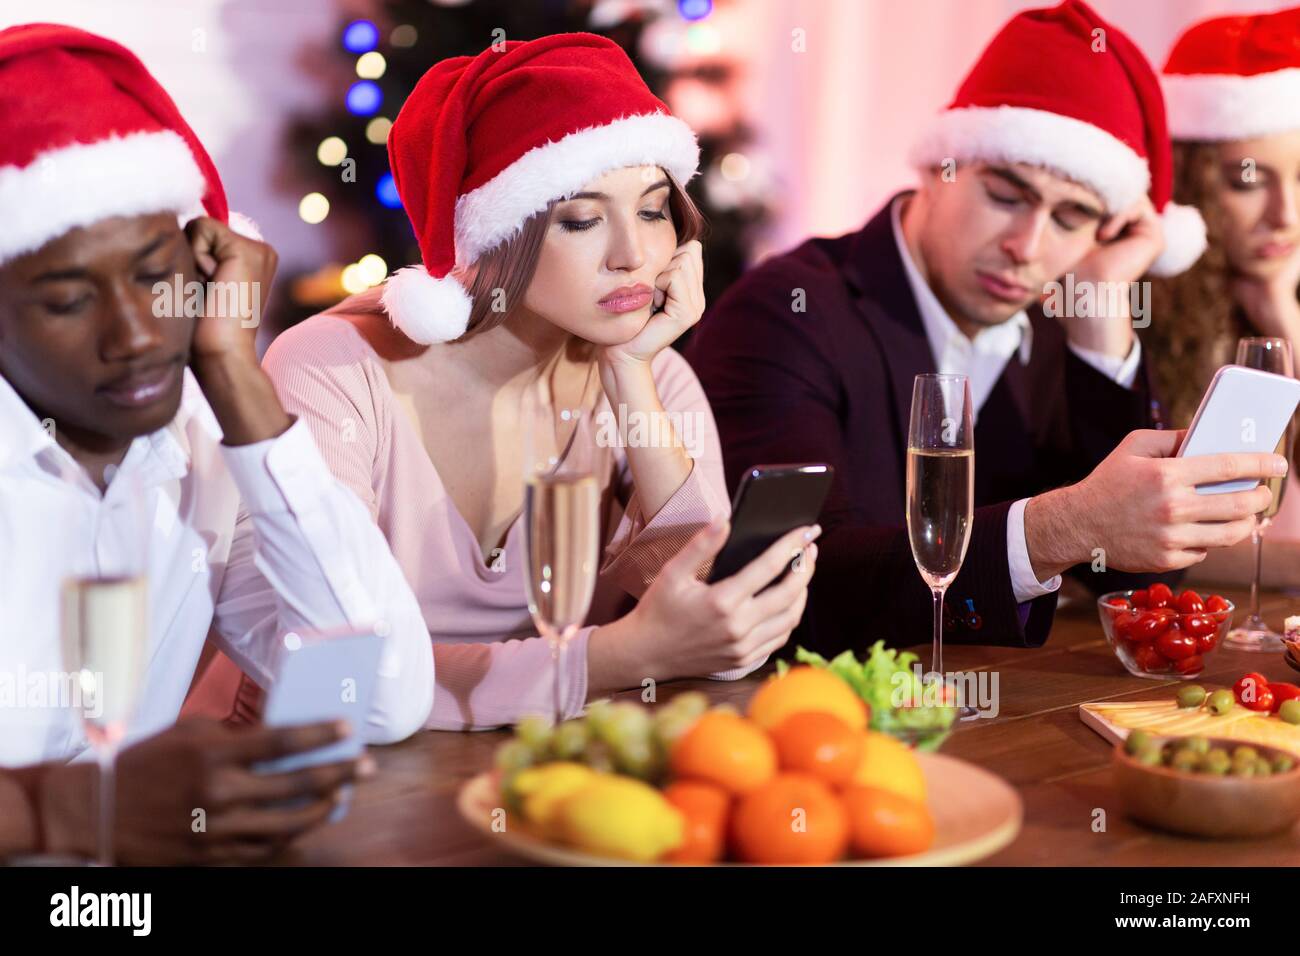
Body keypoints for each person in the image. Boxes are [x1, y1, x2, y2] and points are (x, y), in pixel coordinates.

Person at [686, 0, 1286, 658]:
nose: (1026, 246)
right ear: (938, 169)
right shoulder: (785, 313)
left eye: (1070, 218)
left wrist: (1100, 322)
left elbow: (1139, 580)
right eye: (1005, 196)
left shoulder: (1058, 322)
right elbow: (789, 594)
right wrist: (1057, 528)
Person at [256, 33, 819, 731]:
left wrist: (630, 373)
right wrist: (611, 659)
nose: (635, 255)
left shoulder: (653, 375)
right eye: (581, 219)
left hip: (533, 788)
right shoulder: (330, 370)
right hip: (307, 792)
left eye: (652, 210)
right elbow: (330, 676)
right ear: (496, 234)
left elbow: (714, 632)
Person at [0, 24, 433, 862]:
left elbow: (372, 696)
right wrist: (70, 811)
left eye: (157, 276)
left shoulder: (198, 443)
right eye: (65, 300)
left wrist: (236, 373)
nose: (132, 334)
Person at [1145, 7, 1300, 587]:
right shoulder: (1130, 307)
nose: (1285, 216)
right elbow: (1141, 543)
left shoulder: (1283, 289)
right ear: (1191, 182)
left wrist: (1284, 317)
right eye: (1248, 181)